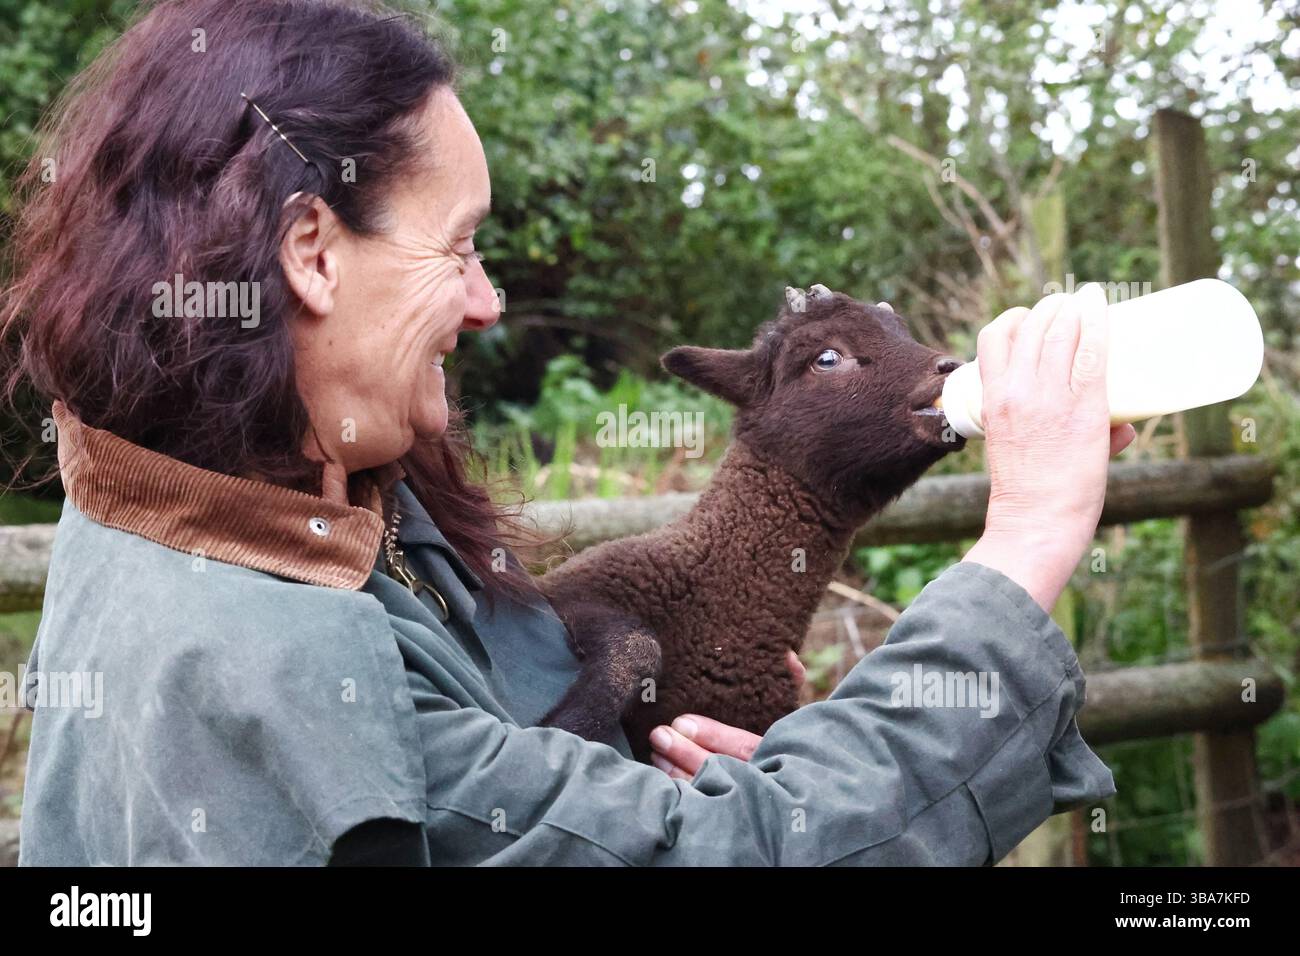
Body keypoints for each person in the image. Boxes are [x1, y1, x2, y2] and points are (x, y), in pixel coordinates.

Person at [5, 0, 1130, 866]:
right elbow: (759, 852)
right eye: (460, 248)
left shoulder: (191, 497)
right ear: (311, 250)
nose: (489, 301)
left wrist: (665, 768)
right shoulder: (287, 663)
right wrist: (1027, 536)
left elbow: (550, 774)